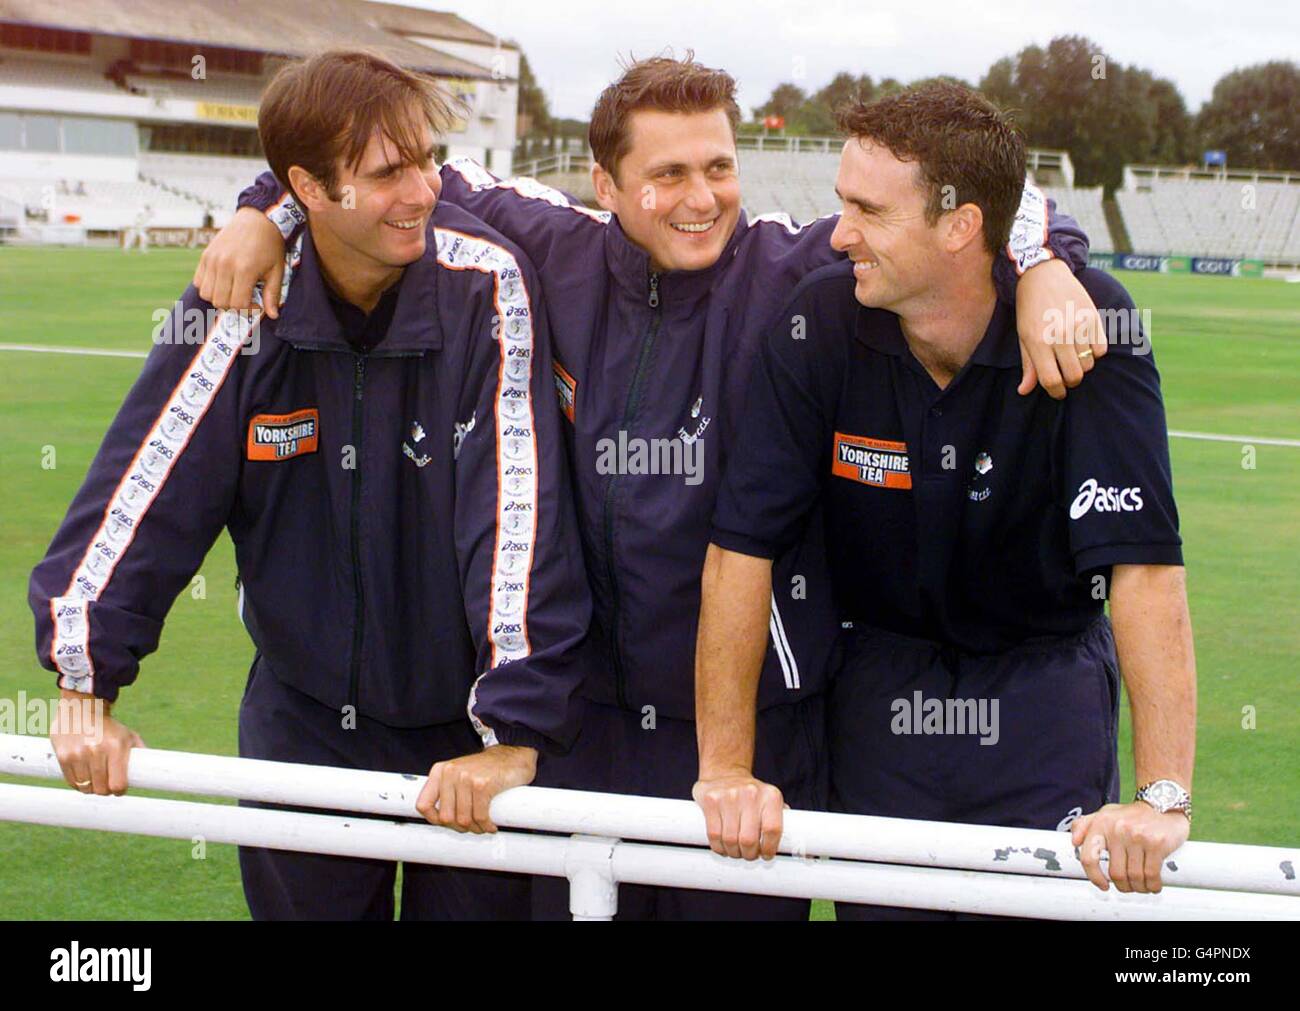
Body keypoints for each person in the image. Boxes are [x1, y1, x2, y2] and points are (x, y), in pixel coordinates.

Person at [196, 54, 1104, 921]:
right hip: (582, 733)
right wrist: (263, 210)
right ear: (606, 184)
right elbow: (384, 154)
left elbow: (970, 196)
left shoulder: (796, 267)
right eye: (667, 174)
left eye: (719, 166)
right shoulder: (555, 249)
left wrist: (1048, 262)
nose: (700, 198)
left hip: (753, 736)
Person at [29, 50, 591, 921]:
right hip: (303, 725)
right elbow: (149, 477)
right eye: (388, 172)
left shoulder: (487, 282)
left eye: (427, 159)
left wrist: (512, 732)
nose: (421, 191)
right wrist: (83, 680)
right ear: (309, 188)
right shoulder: (244, 291)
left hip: (463, 727)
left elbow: (516, 515)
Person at [696, 84, 1195, 916]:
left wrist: (1163, 795)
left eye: (868, 211)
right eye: (840, 204)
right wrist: (726, 769)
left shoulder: (1089, 323)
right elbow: (740, 550)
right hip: (879, 689)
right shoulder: (818, 321)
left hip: (1044, 692)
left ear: (962, 226)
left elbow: (1142, 570)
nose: (840, 232)